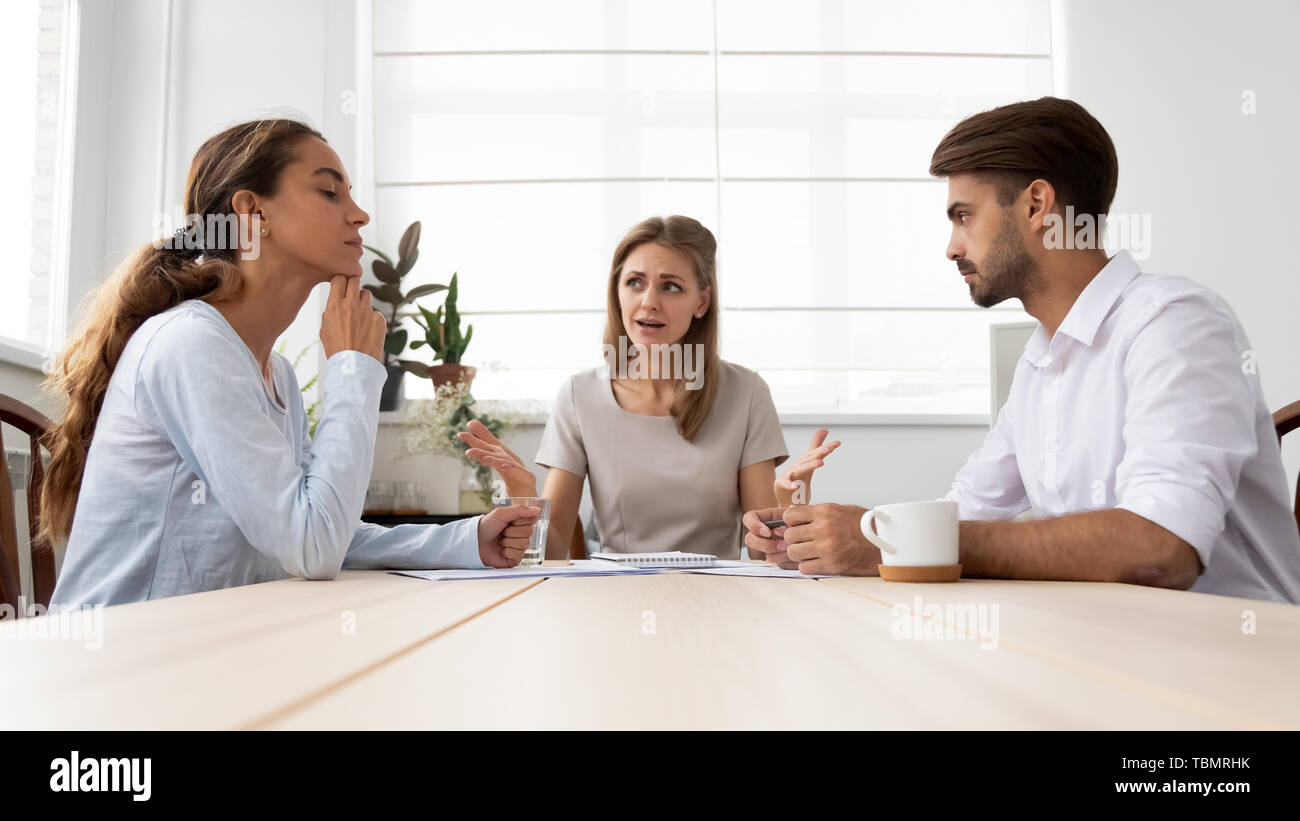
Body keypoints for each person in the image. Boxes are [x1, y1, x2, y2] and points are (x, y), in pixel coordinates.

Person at [743, 97, 1300, 603]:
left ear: (1037, 204)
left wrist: (886, 542)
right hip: (1114, 651)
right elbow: (962, 514)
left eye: (964, 215)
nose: (951, 247)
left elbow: (1159, 547)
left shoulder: (1173, 322)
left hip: (1233, 667)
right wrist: (823, 538)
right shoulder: (1041, 362)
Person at [45, 118, 537, 607]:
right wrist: (351, 366)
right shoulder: (190, 344)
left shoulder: (271, 371)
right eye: (329, 193)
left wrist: (465, 540)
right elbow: (313, 545)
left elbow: (320, 527)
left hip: (205, 647)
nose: (360, 215)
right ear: (253, 211)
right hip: (126, 661)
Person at [457, 215, 840, 560]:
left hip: (722, 604)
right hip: (615, 601)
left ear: (701, 301)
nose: (649, 302)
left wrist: (791, 507)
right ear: (618, 292)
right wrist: (522, 493)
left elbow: (761, 554)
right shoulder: (580, 395)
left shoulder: (746, 392)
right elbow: (554, 547)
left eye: (671, 287)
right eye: (634, 283)